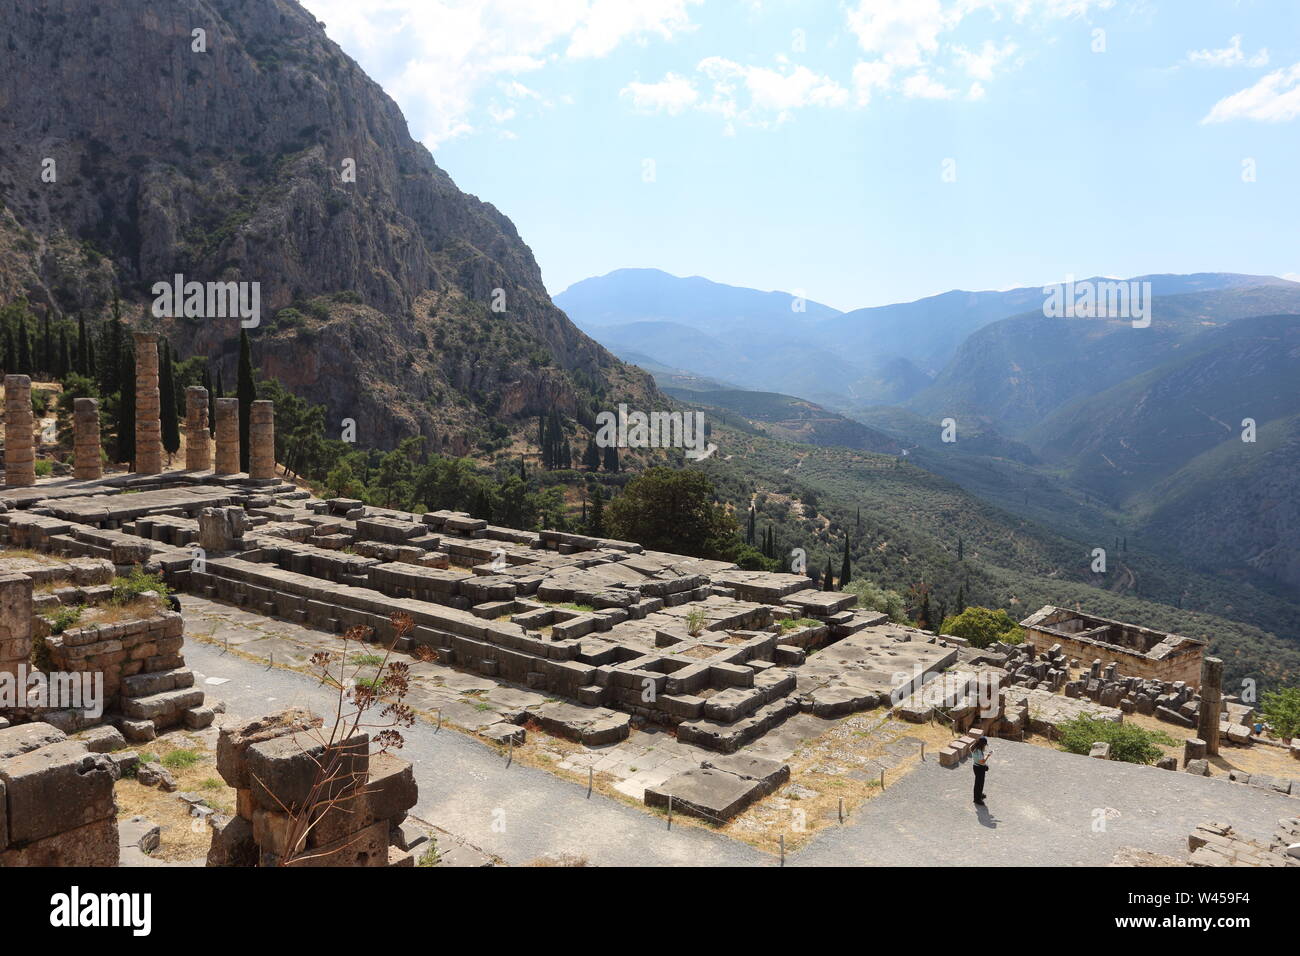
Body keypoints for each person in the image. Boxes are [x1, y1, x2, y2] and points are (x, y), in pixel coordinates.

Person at [972, 736, 990, 805]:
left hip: (976, 766)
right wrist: (988, 756)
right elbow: (982, 761)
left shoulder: (974, 747)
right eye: (985, 745)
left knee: (979, 783)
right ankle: (977, 799)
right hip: (979, 768)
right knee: (979, 784)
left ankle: (979, 795)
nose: (985, 746)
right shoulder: (979, 751)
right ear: (982, 744)